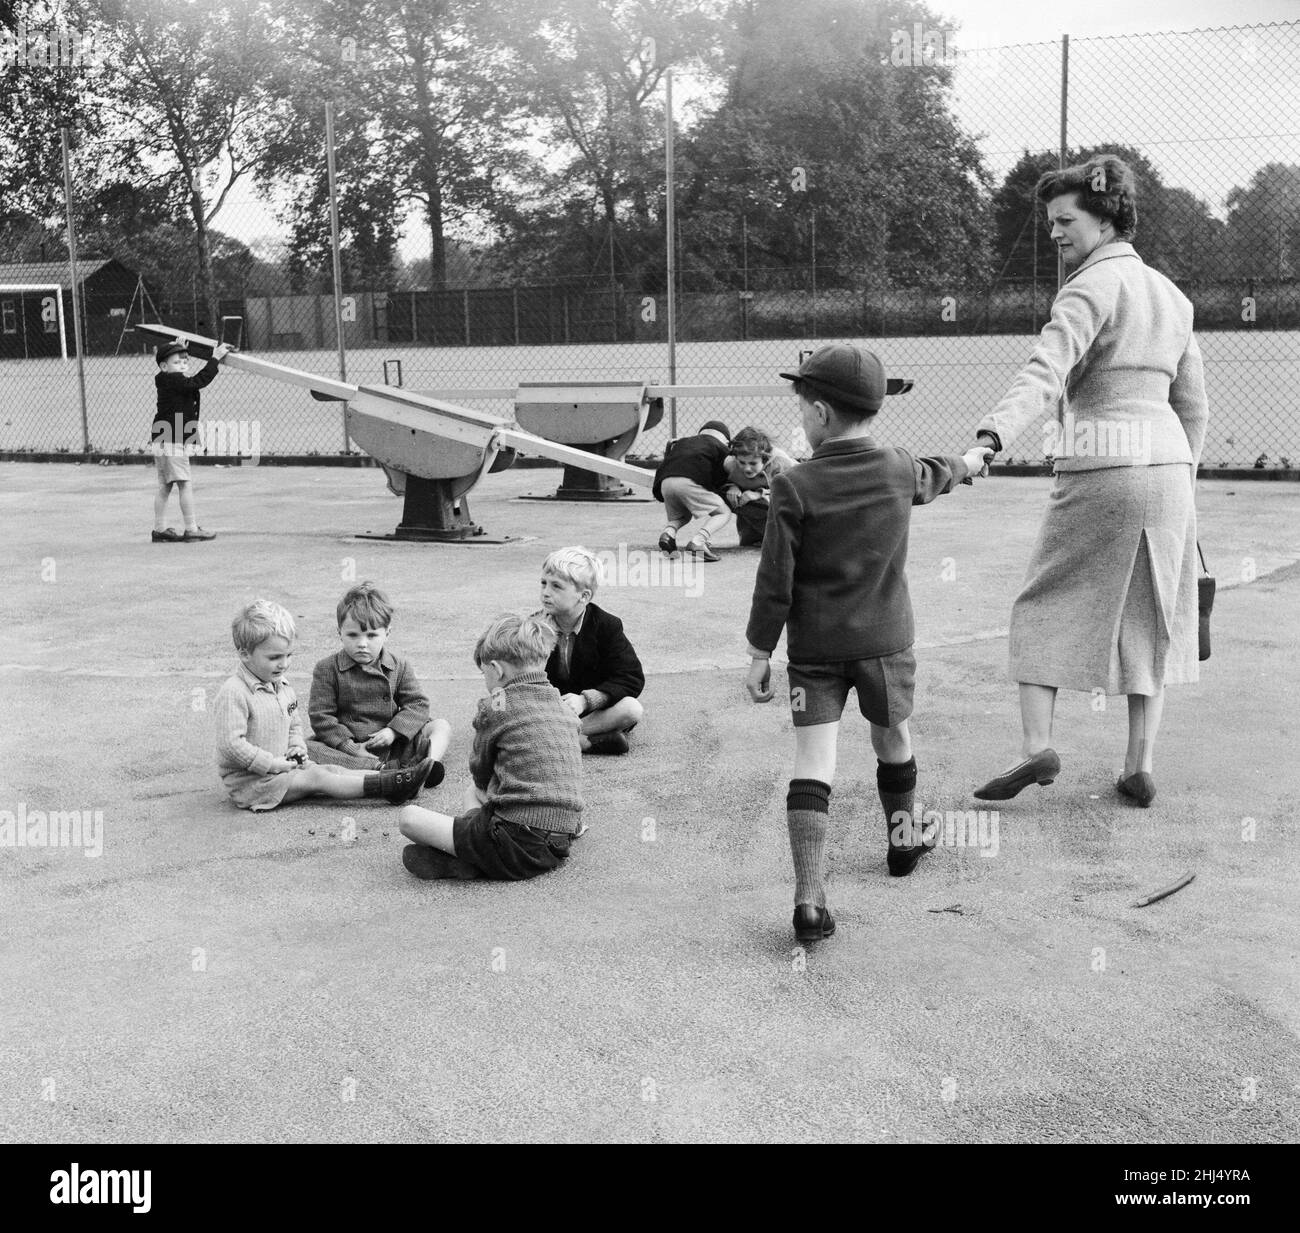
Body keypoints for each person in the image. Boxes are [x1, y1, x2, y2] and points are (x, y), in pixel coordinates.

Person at [967, 154, 1208, 810]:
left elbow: (1044, 371)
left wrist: (989, 438)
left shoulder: (1089, 286)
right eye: (1049, 222)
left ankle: (1037, 745)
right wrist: (1179, 472)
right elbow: (1194, 407)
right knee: (1150, 614)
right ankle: (1138, 764)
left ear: (1106, 217)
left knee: (1042, 601)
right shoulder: (1172, 296)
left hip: (1103, 464)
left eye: (1064, 220)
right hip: (1168, 469)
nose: (1054, 233)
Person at [745, 344, 992, 943]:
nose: (799, 420)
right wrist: (973, 458)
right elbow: (943, 472)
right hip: (886, 644)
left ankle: (809, 896)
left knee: (813, 762)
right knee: (893, 737)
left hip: (814, 650)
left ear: (823, 414)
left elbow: (774, 580)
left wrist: (759, 652)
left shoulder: (794, 487)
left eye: (802, 409)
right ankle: (904, 842)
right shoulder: (898, 468)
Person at [398, 612, 584, 881]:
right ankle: (476, 858)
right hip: (557, 844)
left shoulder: (497, 706)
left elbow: (481, 772)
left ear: (496, 670)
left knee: (411, 817)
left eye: (484, 673)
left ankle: (474, 854)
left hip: (514, 840)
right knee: (488, 800)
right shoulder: (565, 709)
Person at [213, 599, 435, 811]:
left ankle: (395, 779)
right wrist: (271, 764)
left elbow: (294, 725)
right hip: (254, 783)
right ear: (244, 654)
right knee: (319, 777)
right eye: (274, 658)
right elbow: (231, 745)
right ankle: (387, 788)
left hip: (284, 768)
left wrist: (297, 746)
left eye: (289, 655)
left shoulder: (281, 685)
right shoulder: (235, 692)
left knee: (331, 768)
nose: (284, 664)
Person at [307, 581, 450, 781]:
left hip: (394, 742)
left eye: (372, 635)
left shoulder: (399, 665)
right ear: (339, 632)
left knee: (440, 726)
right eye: (353, 635)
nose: (362, 644)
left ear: (387, 633)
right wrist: (350, 746)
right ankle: (381, 770)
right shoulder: (327, 668)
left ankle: (426, 764)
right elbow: (321, 717)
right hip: (353, 746)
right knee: (307, 748)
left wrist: (393, 731)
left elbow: (418, 704)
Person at [538, 546, 645, 755]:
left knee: (631, 709)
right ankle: (584, 742)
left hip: (590, 713)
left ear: (584, 596)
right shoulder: (535, 627)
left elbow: (630, 678)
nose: (545, 592)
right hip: (550, 711)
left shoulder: (606, 625)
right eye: (543, 583)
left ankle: (552, 739)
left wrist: (586, 700)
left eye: (556, 586)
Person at [150, 339, 229, 543]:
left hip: (162, 437)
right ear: (164, 367)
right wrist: (215, 358)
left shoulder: (165, 379)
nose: (183, 365)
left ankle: (159, 530)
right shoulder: (175, 381)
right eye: (177, 362)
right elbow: (200, 381)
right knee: (184, 483)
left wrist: (178, 348)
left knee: (164, 486)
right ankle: (191, 529)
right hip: (172, 437)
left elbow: (187, 377)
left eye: (185, 361)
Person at [652, 419, 732, 562]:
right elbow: (724, 476)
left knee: (681, 516)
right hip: (689, 482)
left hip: (665, 482)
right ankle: (699, 541)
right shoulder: (721, 448)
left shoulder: (681, 443)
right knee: (723, 512)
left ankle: (668, 534)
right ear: (726, 442)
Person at [722, 426, 799, 547]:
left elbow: (794, 489)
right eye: (742, 462)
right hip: (750, 505)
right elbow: (722, 481)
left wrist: (758, 493)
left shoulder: (781, 463)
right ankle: (752, 538)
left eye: (753, 463)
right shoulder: (730, 463)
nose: (747, 468)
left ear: (765, 458)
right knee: (734, 499)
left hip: (779, 500)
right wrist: (732, 487)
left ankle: (782, 538)